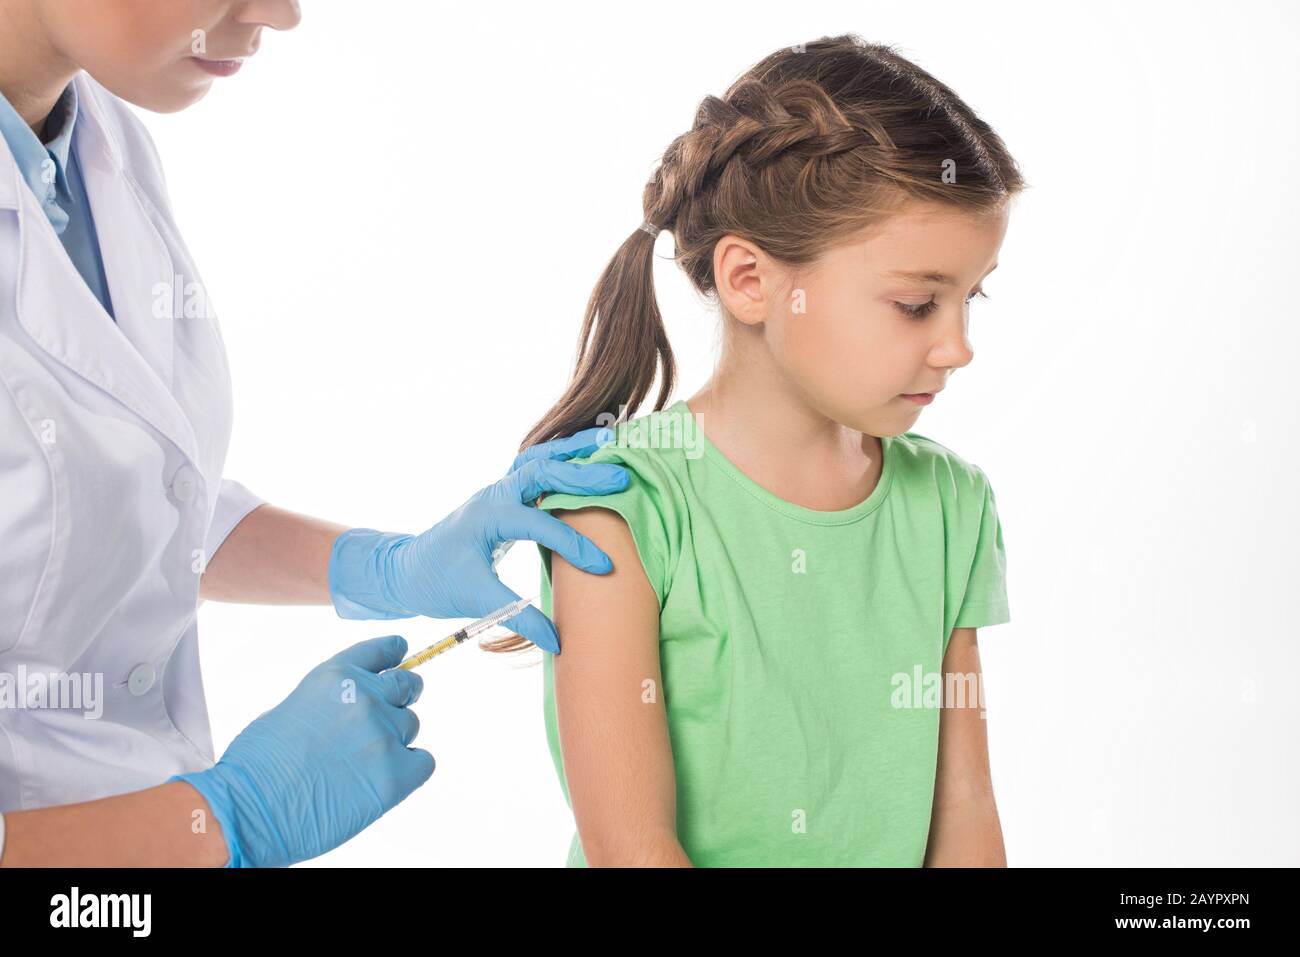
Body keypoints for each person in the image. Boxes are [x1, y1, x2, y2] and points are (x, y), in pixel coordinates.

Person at [0, 0, 626, 867]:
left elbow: (114, 498)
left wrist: (389, 565)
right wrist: (228, 818)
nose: (283, 14)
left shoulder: (87, 137)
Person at [483, 35, 1024, 866]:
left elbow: (966, 810)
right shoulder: (622, 509)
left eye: (970, 297)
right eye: (918, 304)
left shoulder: (950, 507)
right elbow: (632, 846)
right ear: (750, 280)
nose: (957, 346)